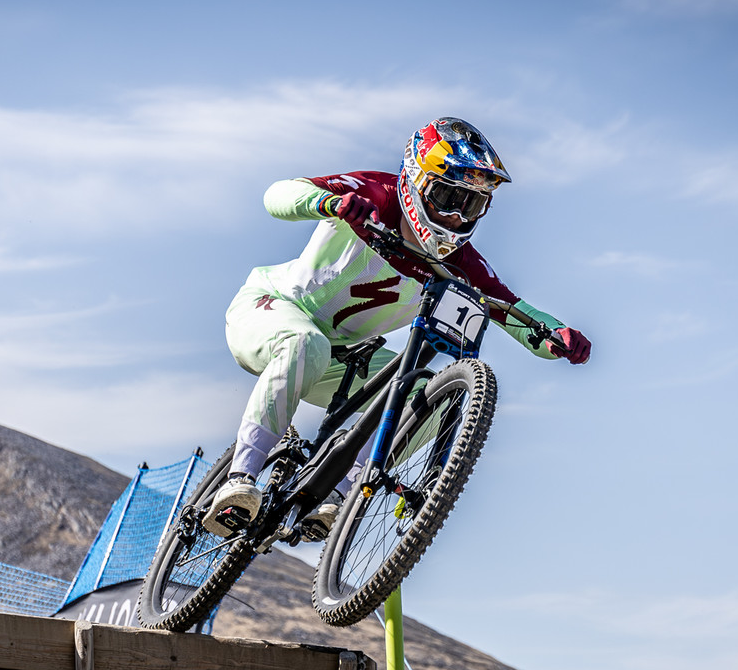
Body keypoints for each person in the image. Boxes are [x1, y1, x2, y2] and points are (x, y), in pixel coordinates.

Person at [206, 116, 592, 538]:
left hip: (345, 355)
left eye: (471, 205)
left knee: (427, 400)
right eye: (446, 196)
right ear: (416, 181)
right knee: (306, 343)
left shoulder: (460, 263)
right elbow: (276, 195)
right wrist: (328, 204)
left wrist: (557, 337)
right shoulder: (376, 193)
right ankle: (239, 480)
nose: (456, 217)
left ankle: (337, 491)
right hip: (270, 310)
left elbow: (514, 312)